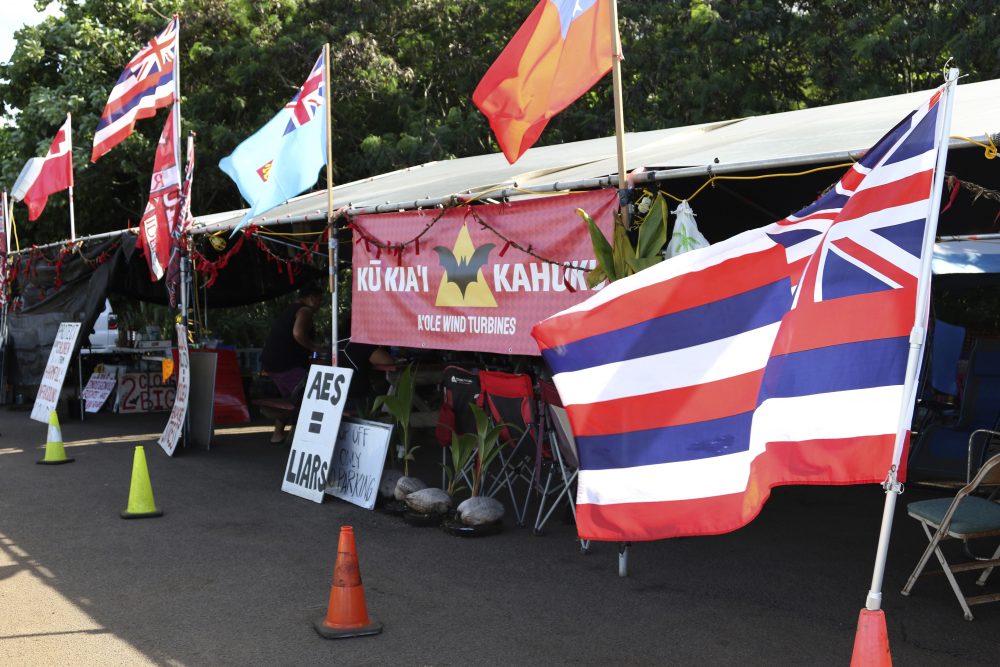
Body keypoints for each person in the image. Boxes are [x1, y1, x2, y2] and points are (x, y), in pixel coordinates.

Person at [261, 284, 326, 443]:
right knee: (308, 397)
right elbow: (298, 334)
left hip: (272, 363)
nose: (320, 304)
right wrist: (315, 347)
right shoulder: (305, 311)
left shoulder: (290, 309)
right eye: (319, 300)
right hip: (286, 364)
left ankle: (277, 434)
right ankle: (300, 437)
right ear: (311, 298)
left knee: (290, 397)